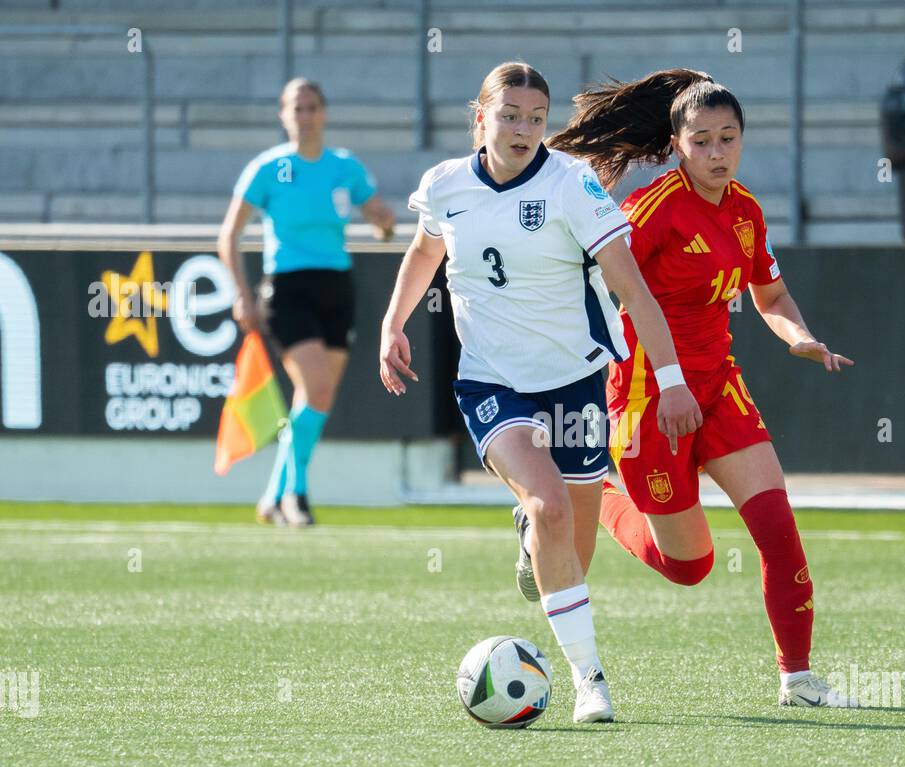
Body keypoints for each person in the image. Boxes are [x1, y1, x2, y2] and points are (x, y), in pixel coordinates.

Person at [378, 62, 701, 723]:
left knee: (571, 550)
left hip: (577, 379)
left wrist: (670, 381)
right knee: (551, 505)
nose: (522, 128)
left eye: (534, 118)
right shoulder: (444, 187)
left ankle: (533, 534)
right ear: (480, 117)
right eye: (508, 115)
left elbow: (633, 291)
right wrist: (393, 321)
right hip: (491, 381)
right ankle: (590, 682)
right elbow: (422, 252)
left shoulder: (572, 185)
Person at [547, 69, 856, 708]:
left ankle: (796, 677)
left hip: (718, 388)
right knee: (691, 568)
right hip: (647, 399)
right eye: (703, 142)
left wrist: (797, 335)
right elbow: (601, 284)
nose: (717, 153)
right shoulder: (653, 209)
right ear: (678, 146)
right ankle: (603, 498)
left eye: (728, 138)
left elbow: (770, 293)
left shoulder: (746, 210)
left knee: (778, 526)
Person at [218, 77, 396, 526]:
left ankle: (272, 495)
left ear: (325, 113)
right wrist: (242, 293)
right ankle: (294, 495)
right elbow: (229, 234)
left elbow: (378, 216)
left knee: (314, 399)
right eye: (296, 108)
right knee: (314, 389)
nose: (305, 115)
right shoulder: (268, 167)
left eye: (313, 107)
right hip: (288, 288)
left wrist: (384, 221)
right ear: (283, 115)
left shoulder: (343, 166)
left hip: (335, 287)